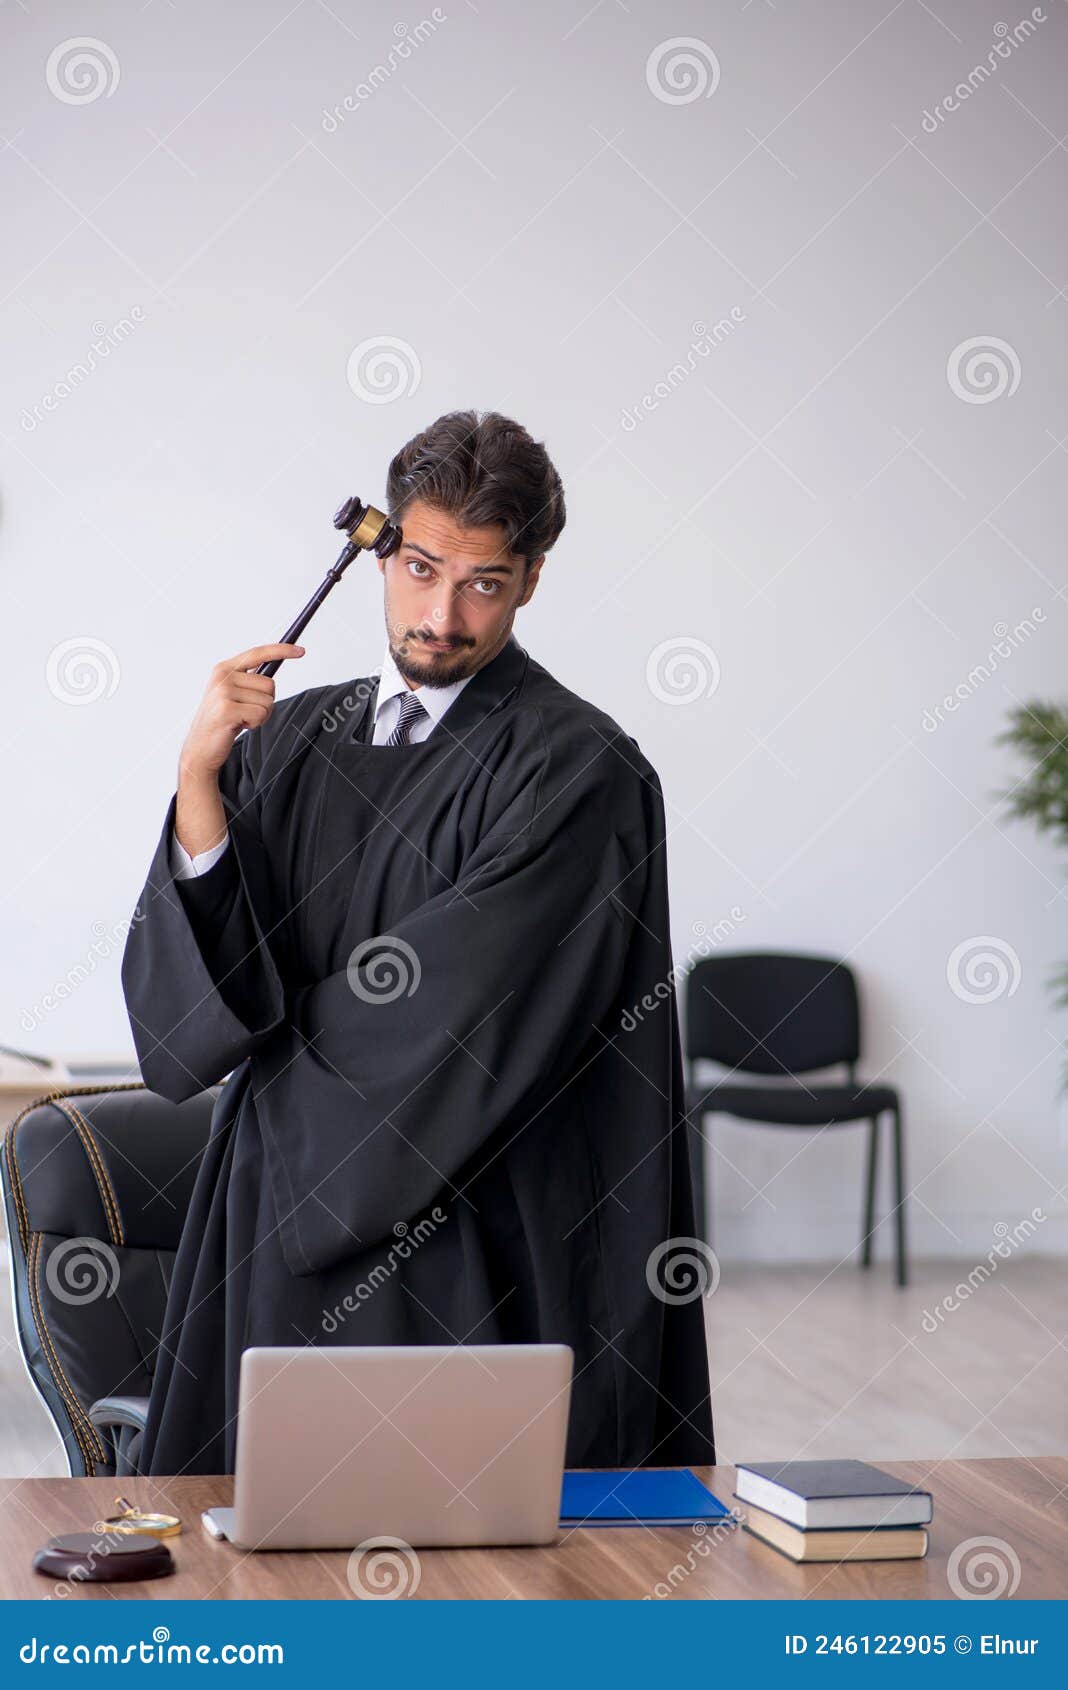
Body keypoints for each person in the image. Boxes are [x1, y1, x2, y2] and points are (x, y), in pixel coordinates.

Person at [121, 408, 715, 1476]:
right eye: (422, 568)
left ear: (530, 581)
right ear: (381, 549)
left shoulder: (578, 772)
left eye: (483, 582)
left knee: (453, 1566)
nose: (442, 614)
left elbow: (459, 1020)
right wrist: (198, 781)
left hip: (467, 1242)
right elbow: (206, 1004)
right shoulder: (291, 736)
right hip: (266, 1225)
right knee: (259, 1572)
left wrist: (275, 1069)